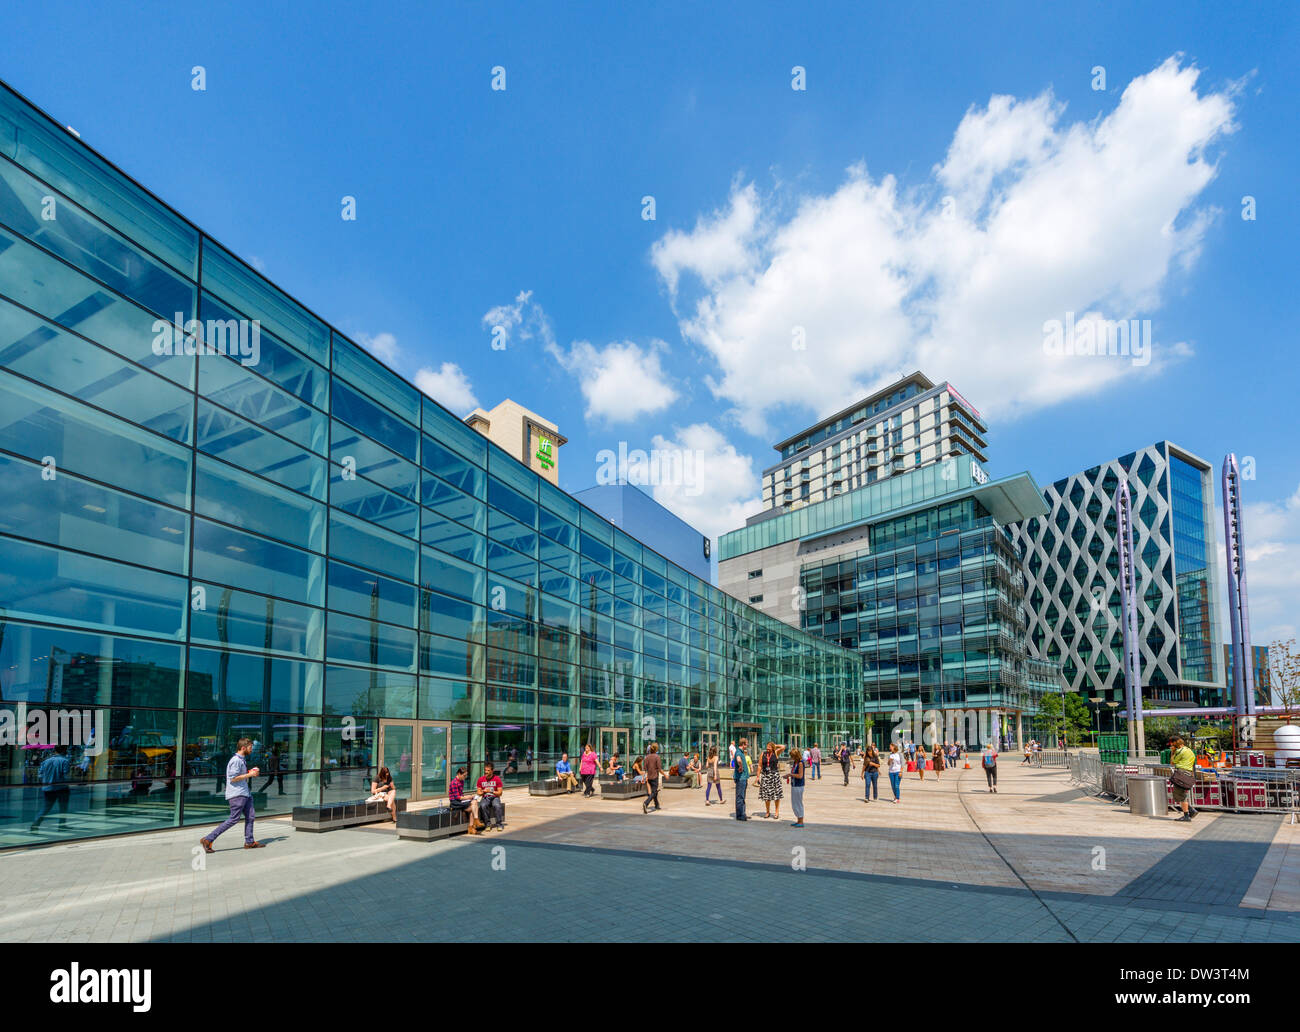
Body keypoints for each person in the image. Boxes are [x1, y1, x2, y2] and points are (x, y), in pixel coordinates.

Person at [200, 738, 264, 852]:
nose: (251, 750)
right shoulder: (236, 760)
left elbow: (238, 775)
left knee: (250, 817)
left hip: (245, 793)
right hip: (237, 794)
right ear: (243, 748)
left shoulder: (241, 759)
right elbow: (233, 778)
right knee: (234, 819)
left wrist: (249, 772)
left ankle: (249, 842)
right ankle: (208, 839)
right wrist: (250, 775)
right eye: (250, 747)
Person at [30, 745, 72, 832]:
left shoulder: (46, 761)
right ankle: (61, 825)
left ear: (55, 750)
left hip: (48, 788)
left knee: (46, 808)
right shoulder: (65, 761)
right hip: (61, 788)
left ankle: (35, 824)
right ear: (63, 750)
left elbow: (40, 775)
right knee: (63, 808)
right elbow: (66, 776)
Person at [1169, 736, 1198, 822]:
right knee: (1180, 794)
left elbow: (1172, 762)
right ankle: (1191, 810)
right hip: (1188, 773)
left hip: (1181, 773)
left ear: (1175, 743)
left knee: (1179, 795)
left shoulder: (1179, 751)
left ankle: (1187, 815)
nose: (1171, 745)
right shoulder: (1189, 750)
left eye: (1172, 744)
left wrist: (1172, 752)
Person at [449, 766, 482, 833]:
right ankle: (472, 825)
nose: (465, 777)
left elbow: (461, 795)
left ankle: (474, 823)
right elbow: (458, 797)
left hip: (460, 800)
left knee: (474, 802)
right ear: (459, 774)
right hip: (455, 802)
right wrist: (469, 797)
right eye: (464, 775)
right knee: (473, 806)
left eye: (466, 775)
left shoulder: (462, 781)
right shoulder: (454, 783)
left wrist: (468, 797)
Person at [758, 741, 785, 819]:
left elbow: (783, 747)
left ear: (773, 748)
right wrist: (757, 776)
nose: (768, 749)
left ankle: (776, 812)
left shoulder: (776, 753)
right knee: (766, 795)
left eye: (769, 748)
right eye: (767, 747)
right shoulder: (763, 754)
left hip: (774, 775)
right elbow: (759, 765)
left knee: (776, 794)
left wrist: (775, 745)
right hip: (765, 776)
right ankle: (767, 812)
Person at [477, 761, 505, 830]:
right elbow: (478, 792)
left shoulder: (497, 779)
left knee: (497, 806)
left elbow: (500, 793)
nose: (486, 772)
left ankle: (499, 824)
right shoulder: (481, 779)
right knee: (483, 805)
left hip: (495, 797)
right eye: (485, 770)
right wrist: (483, 792)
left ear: (492, 771)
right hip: (485, 797)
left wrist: (491, 791)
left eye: (488, 770)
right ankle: (488, 824)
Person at [785, 747, 807, 828]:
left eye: (792, 756)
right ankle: (798, 820)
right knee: (794, 803)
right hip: (794, 785)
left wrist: (790, 775)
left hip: (798, 786)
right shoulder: (795, 762)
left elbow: (800, 776)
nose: (791, 758)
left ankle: (801, 821)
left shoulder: (800, 763)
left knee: (798, 803)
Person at [733, 738, 752, 820]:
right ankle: (740, 815)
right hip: (741, 778)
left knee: (742, 797)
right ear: (743, 744)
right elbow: (738, 759)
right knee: (740, 797)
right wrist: (740, 766)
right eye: (746, 744)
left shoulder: (741, 752)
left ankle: (743, 813)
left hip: (743, 778)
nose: (747, 745)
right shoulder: (738, 752)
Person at [642, 743, 663, 814]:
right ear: (656, 749)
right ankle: (646, 803)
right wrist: (665, 775)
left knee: (655, 792)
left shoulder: (646, 757)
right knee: (654, 792)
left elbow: (645, 769)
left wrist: (643, 777)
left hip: (649, 777)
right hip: (655, 777)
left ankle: (657, 805)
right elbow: (659, 769)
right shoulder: (657, 757)